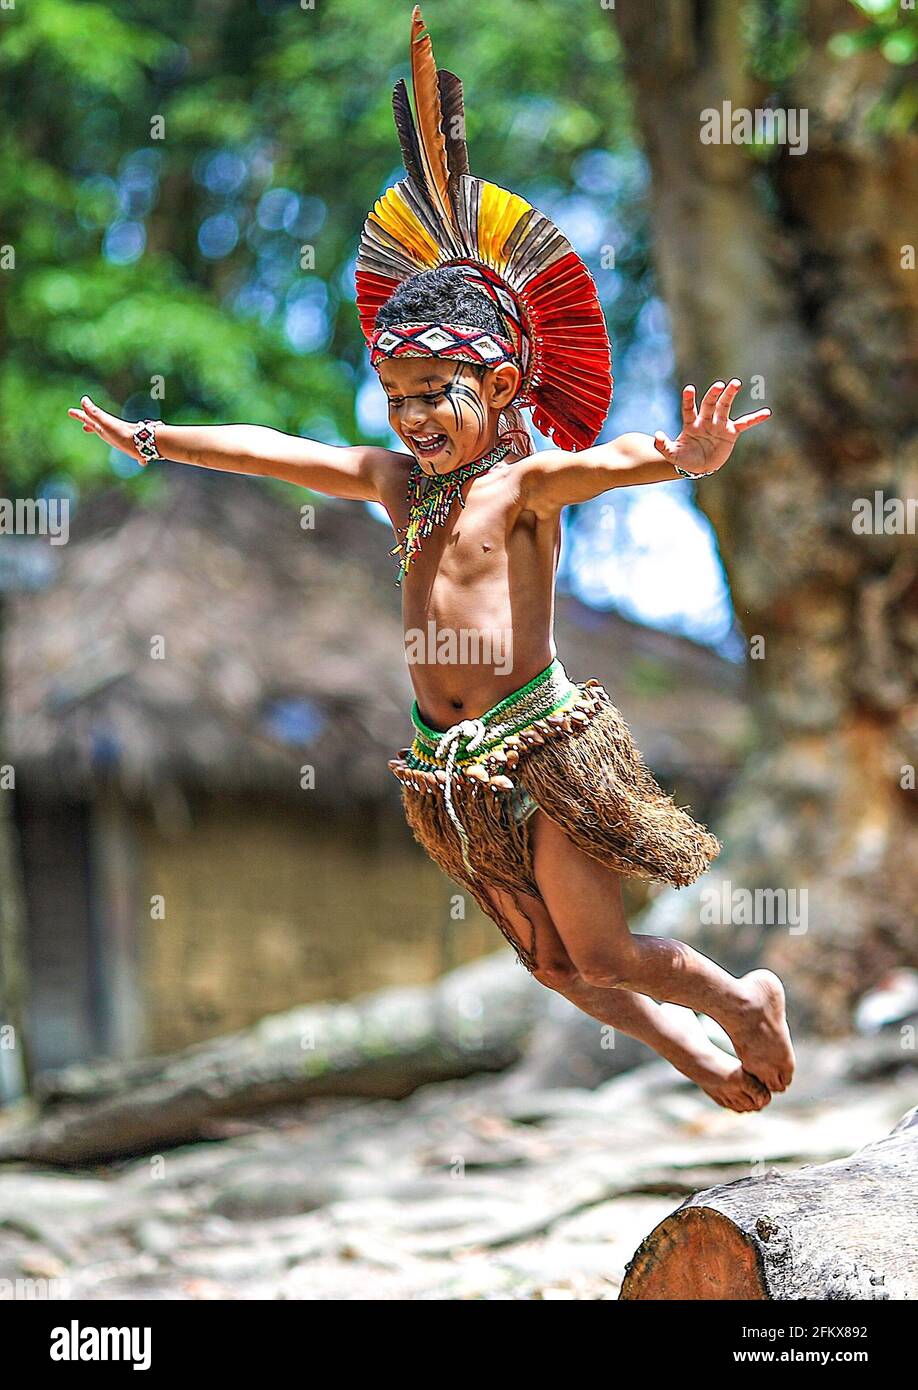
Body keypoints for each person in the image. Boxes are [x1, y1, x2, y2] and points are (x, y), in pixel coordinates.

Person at [69, 6, 794, 1112]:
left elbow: (614, 458)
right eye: (395, 396)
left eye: (432, 395)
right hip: (447, 765)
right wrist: (157, 437)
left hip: (542, 747)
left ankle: (741, 1005)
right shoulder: (396, 483)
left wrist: (684, 457)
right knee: (553, 966)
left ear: (500, 387)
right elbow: (278, 451)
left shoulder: (525, 485)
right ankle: (696, 1059)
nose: (409, 418)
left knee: (600, 953)